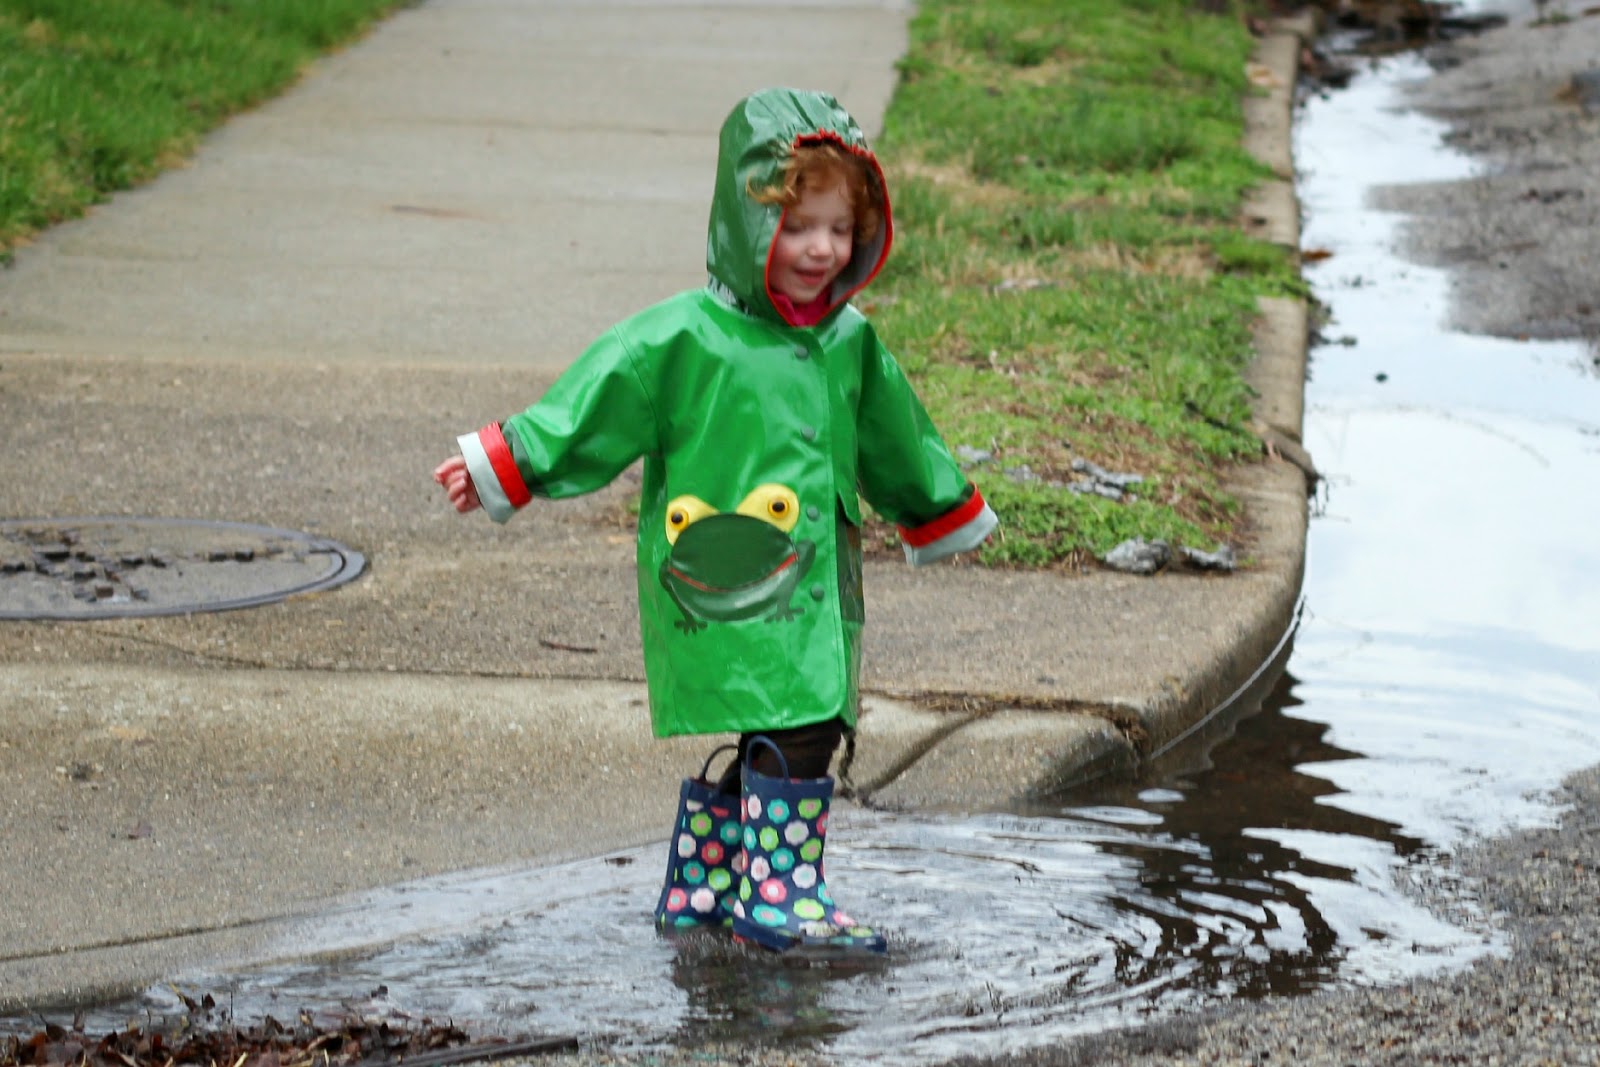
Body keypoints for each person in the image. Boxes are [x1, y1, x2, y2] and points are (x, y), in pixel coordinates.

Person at [433, 88, 997, 956]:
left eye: (840, 230)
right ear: (747, 222)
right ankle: (779, 894)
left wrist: (937, 505)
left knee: (786, 720)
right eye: (798, 226)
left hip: (811, 579)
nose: (821, 250)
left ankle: (706, 878)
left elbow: (895, 436)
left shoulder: (849, 342)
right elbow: (595, 399)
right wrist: (512, 459)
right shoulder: (684, 338)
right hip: (722, 572)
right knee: (805, 724)